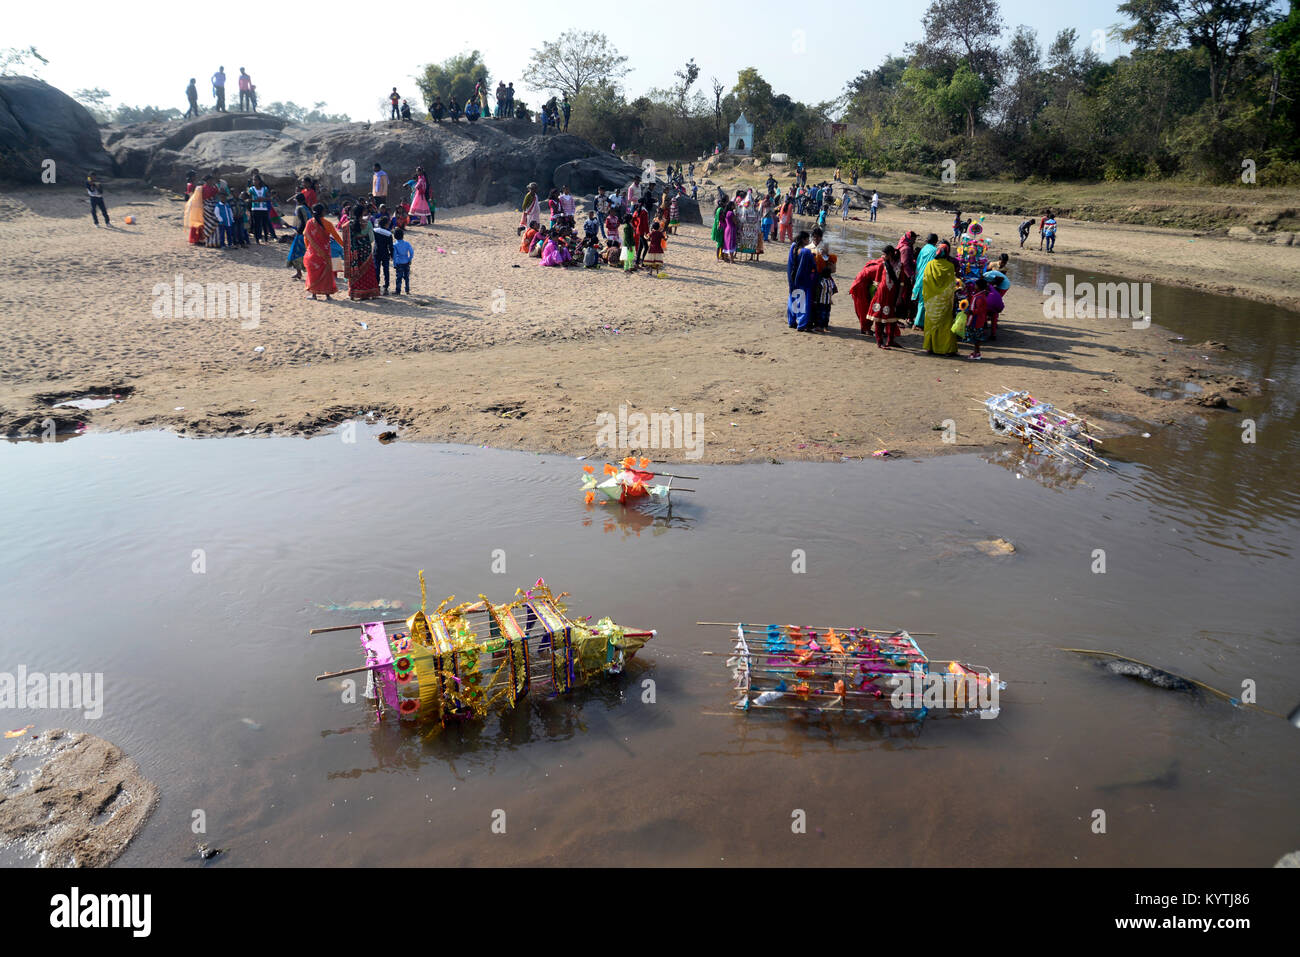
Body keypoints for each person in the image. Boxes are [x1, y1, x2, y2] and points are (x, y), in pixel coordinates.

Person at [920, 243, 960, 355]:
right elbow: (951, 284)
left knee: (931, 323)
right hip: (944, 301)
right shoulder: (950, 266)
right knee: (945, 324)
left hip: (931, 299)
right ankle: (946, 349)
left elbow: (926, 281)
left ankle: (929, 347)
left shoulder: (929, 265)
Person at [303, 204, 343, 299]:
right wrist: (344, 245)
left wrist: (308, 249)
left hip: (313, 252)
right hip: (325, 252)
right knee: (327, 273)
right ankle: (328, 295)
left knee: (313, 274)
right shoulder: (328, 223)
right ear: (323, 212)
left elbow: (306, 238)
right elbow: (336, 237)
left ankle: (314, 294)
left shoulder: (309, 223)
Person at [342, 205, 380, 299]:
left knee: (355, 270)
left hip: (354, 251)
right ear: (363, 212)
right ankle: (368, 292)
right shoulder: (368, 224)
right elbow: (371, 239)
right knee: (367, 271)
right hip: (365, 251)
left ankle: (354, 292)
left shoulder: (348, 225)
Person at [786, 230, 817, 331]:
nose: (809, 240)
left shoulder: (793, 247)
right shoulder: (806, 252)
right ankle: (801, 324)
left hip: (793, 279)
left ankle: (791, 321)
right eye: (808, 239)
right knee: (803, 303)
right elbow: (813, 265)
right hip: (804, 280)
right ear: (804, 240)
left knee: (793, 299)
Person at [911, 233, 940, 328]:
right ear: (935, 241)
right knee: (924, 301)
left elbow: (918, 263)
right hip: (927, 277)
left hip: (920, 276)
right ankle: (918, 323)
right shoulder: (934, 251)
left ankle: (918, 320)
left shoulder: (924, 248)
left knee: (921, 300)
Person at [967, 277, 990, 360]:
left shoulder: (980, 297)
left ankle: (977, 353)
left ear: (979, 287)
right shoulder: (979, 295)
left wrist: (971, 312)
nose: (974, 286)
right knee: (976, 338)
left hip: (977, 320)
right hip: (978, 320)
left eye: (976, 285)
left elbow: (979, 309)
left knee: (976, 338)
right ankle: (976, 352)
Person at [248, 175, 273, 244]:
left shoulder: (265, 189)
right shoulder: (251, 189)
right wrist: (255, 200)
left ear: (259, 181)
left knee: (264, 224)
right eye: (253, 180)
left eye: (256, 180)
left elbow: (269, 198)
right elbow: (248, 199)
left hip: (264, 209)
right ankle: (257, 239)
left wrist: (263, 199)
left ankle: (266, 239)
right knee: (257, 225)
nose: (255, 181)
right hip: (255, 209)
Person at [372, 215, 394, 294]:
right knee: (386, 270)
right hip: (385, 253)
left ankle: (376, 284)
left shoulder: (375, 230)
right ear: (386, 224)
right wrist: (392, 255)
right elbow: (390, 246)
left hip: (376, 252)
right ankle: (386, 286)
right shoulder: (388, 234)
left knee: (376, 269)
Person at [392, 227, 413, 294]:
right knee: (407, 277)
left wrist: (394, 264)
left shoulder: (395, 245)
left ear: (395, 236)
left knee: (399, 278)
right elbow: (411, 252)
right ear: (403, 235)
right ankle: (407, 290)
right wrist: (409, 259)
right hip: (406, 262)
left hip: (399, 263)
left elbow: (394, 256)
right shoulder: (407, 243)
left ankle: (398, 291)